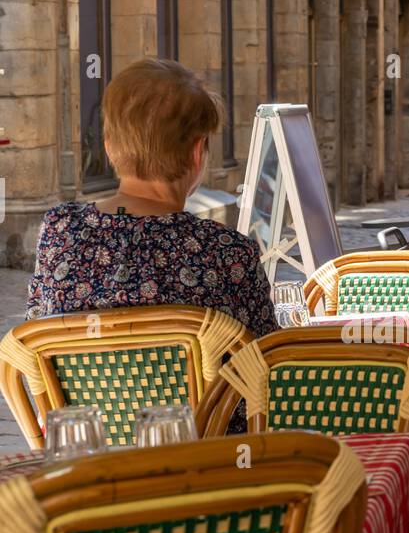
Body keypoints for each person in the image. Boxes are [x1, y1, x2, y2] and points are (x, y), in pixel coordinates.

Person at [28, 58, 276, 336]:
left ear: (109, 148)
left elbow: (36, 333)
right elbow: (263, 360)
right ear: (197, 153)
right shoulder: (228, 253)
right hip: (201, 382)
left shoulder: (60, 229)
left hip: (71, 381)